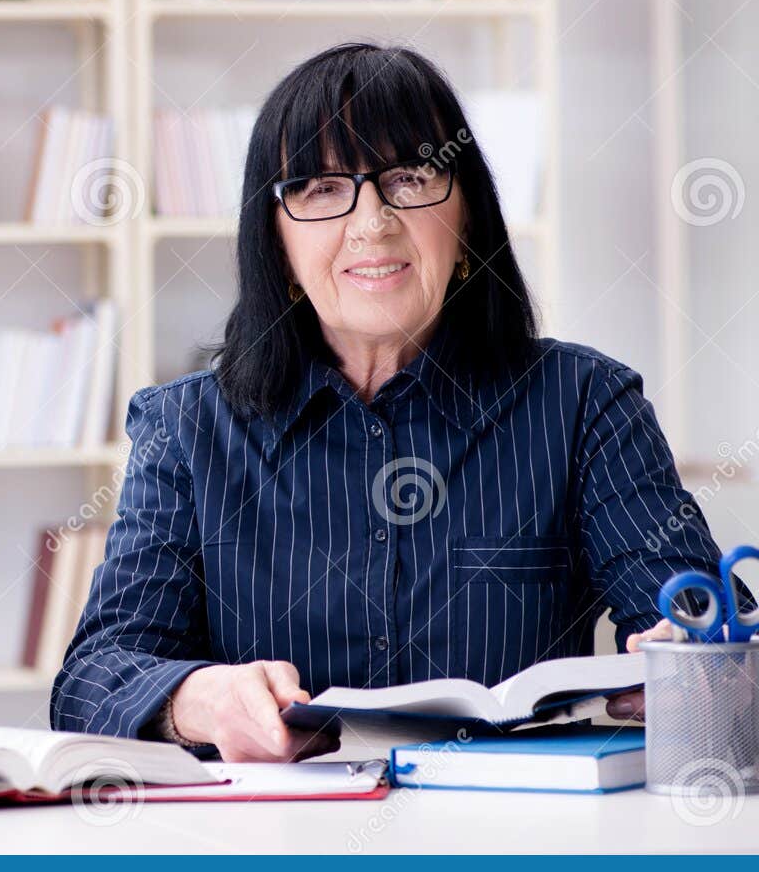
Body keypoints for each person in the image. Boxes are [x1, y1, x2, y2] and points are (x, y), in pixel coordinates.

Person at [51, 42, 709, 761]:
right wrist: (194, 699)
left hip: (513, 835)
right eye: (322, 188)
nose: (372, 223)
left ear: (468, 223)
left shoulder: (586, 405)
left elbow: (706, 625)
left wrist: (691, 670)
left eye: (409, 176)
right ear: (277, 244)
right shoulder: (186, 429)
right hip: (269, 848)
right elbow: (93, 680)